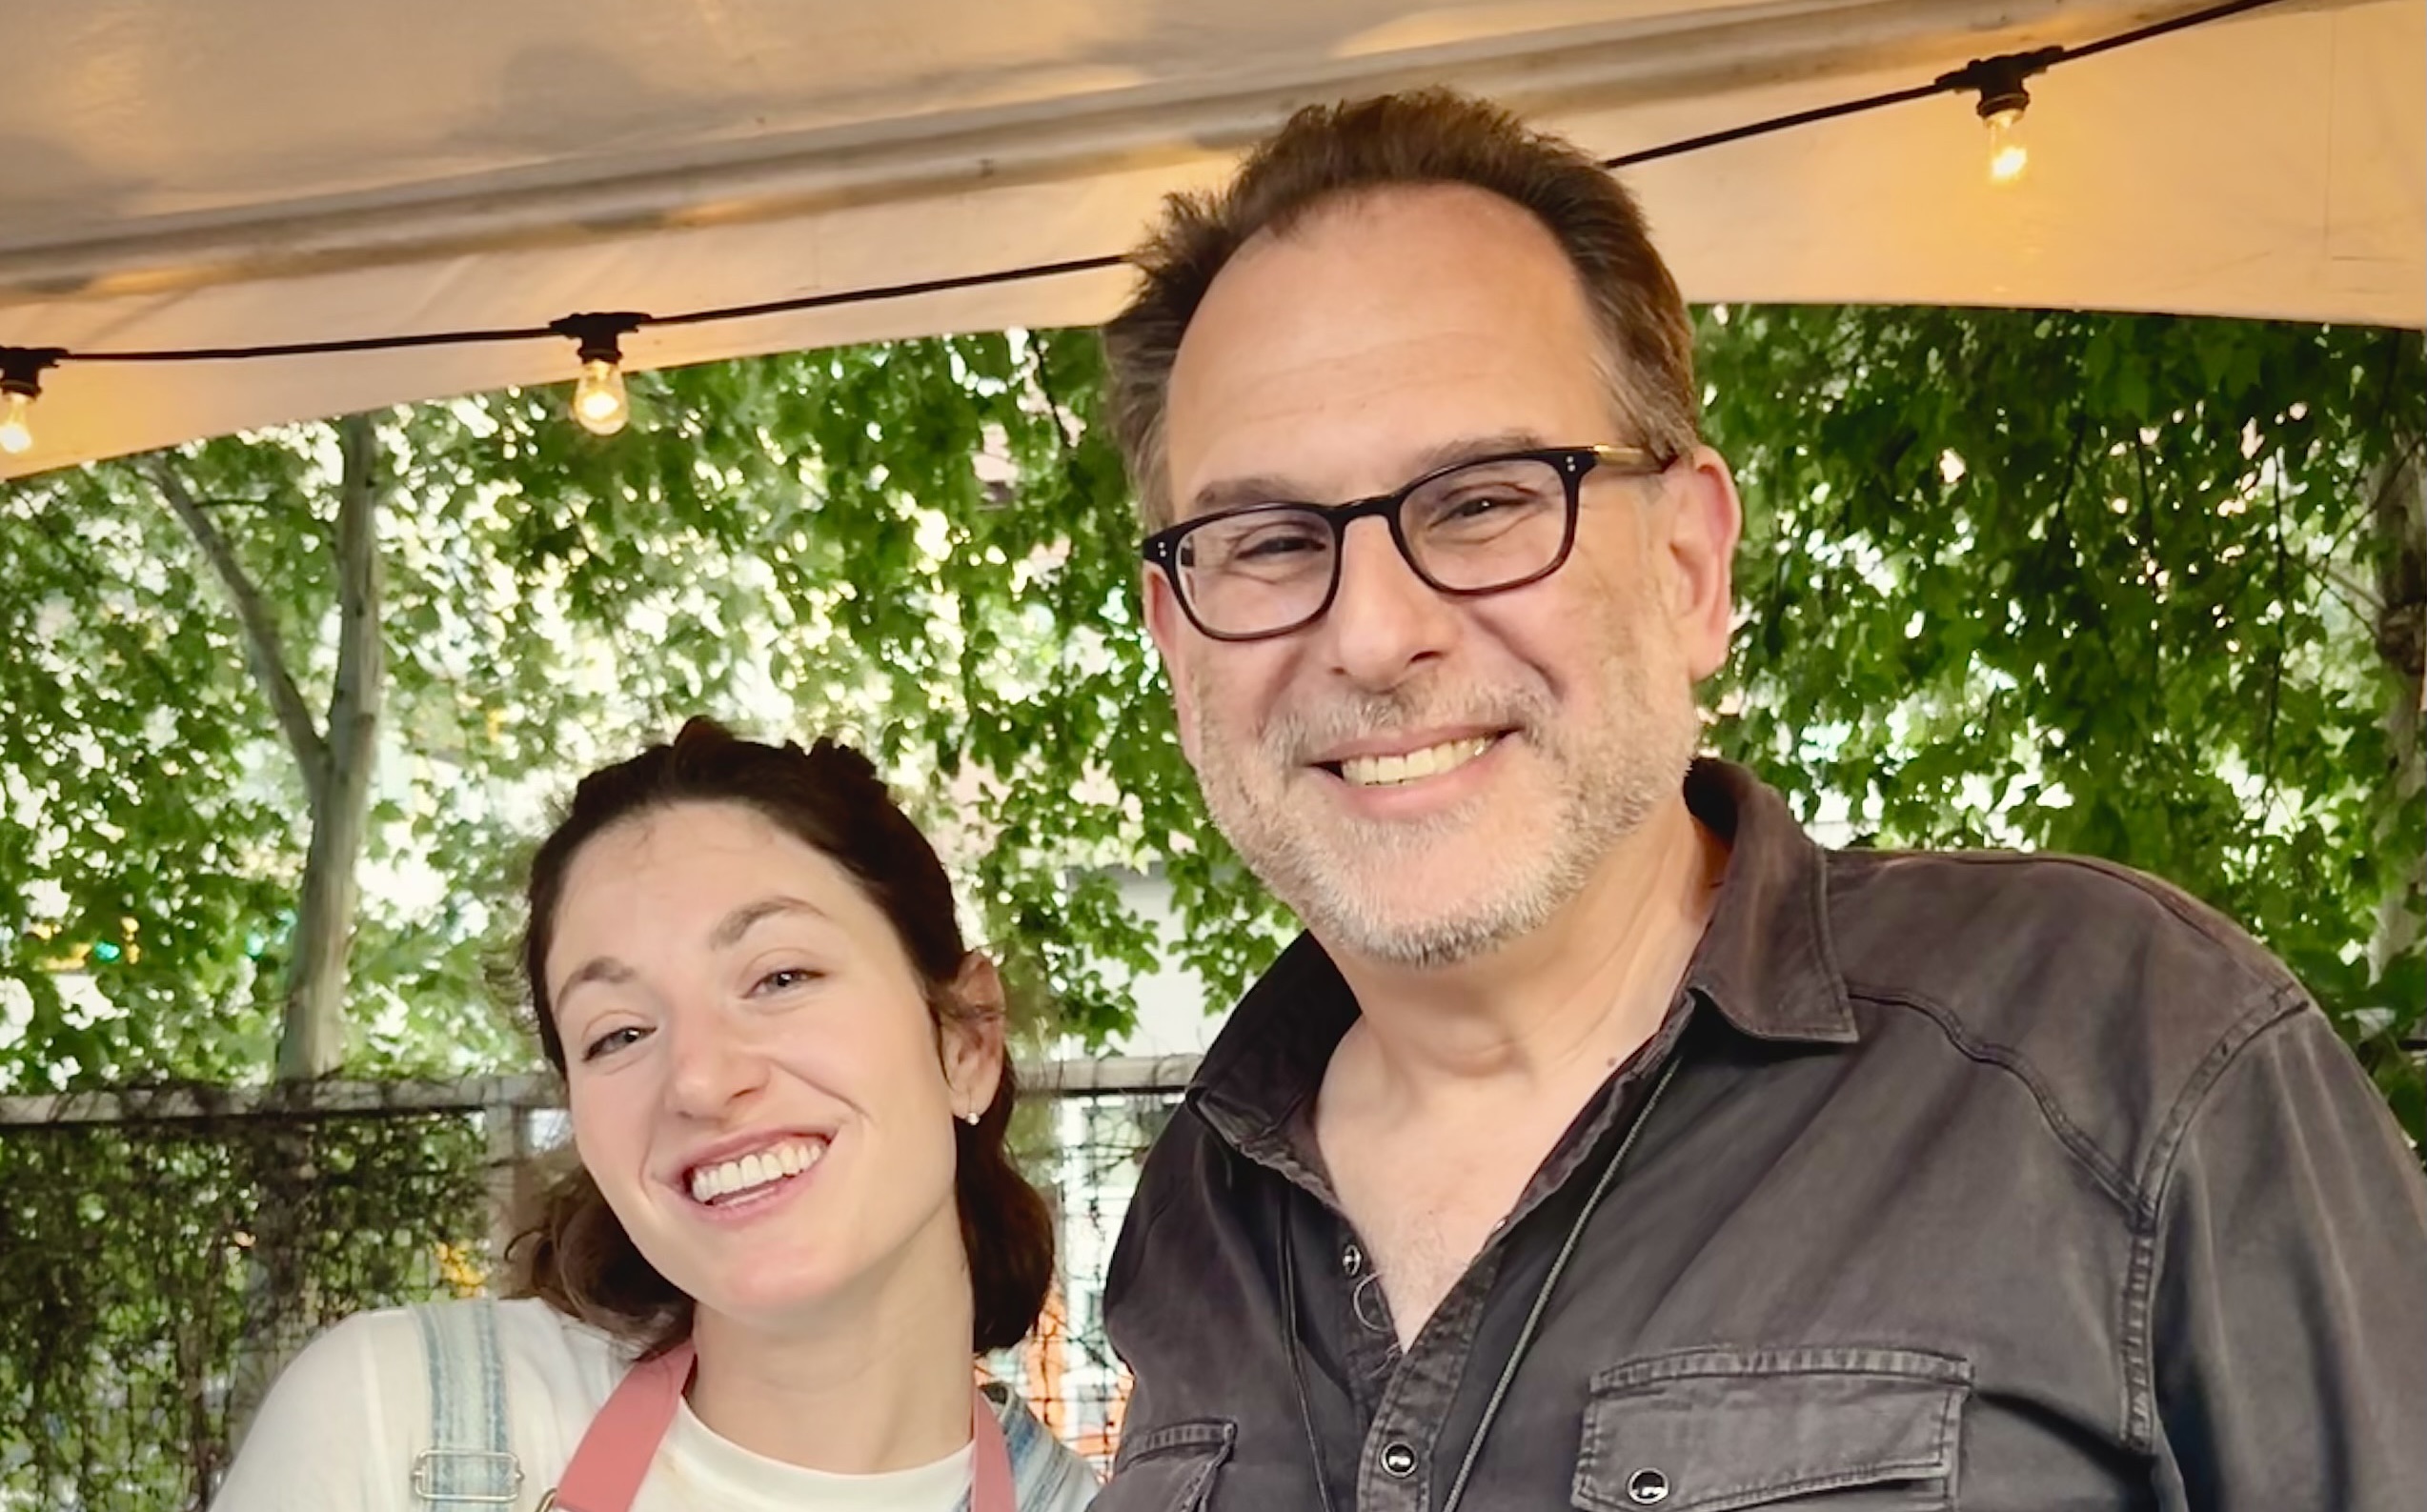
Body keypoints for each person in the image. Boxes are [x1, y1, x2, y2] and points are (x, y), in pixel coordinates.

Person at [1090, 90, 2427, 1510]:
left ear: (1688, 564)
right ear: (1173, 638)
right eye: (1266, 541)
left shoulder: (2126, 1051)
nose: (1370, 632)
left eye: (1480, 501)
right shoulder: (1194, 1213)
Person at [215, 719, 1097, 1512]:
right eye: (620, 1033)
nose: (700, 1080)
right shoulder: (397, 1423)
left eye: (780, 976)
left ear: (965, 1041)